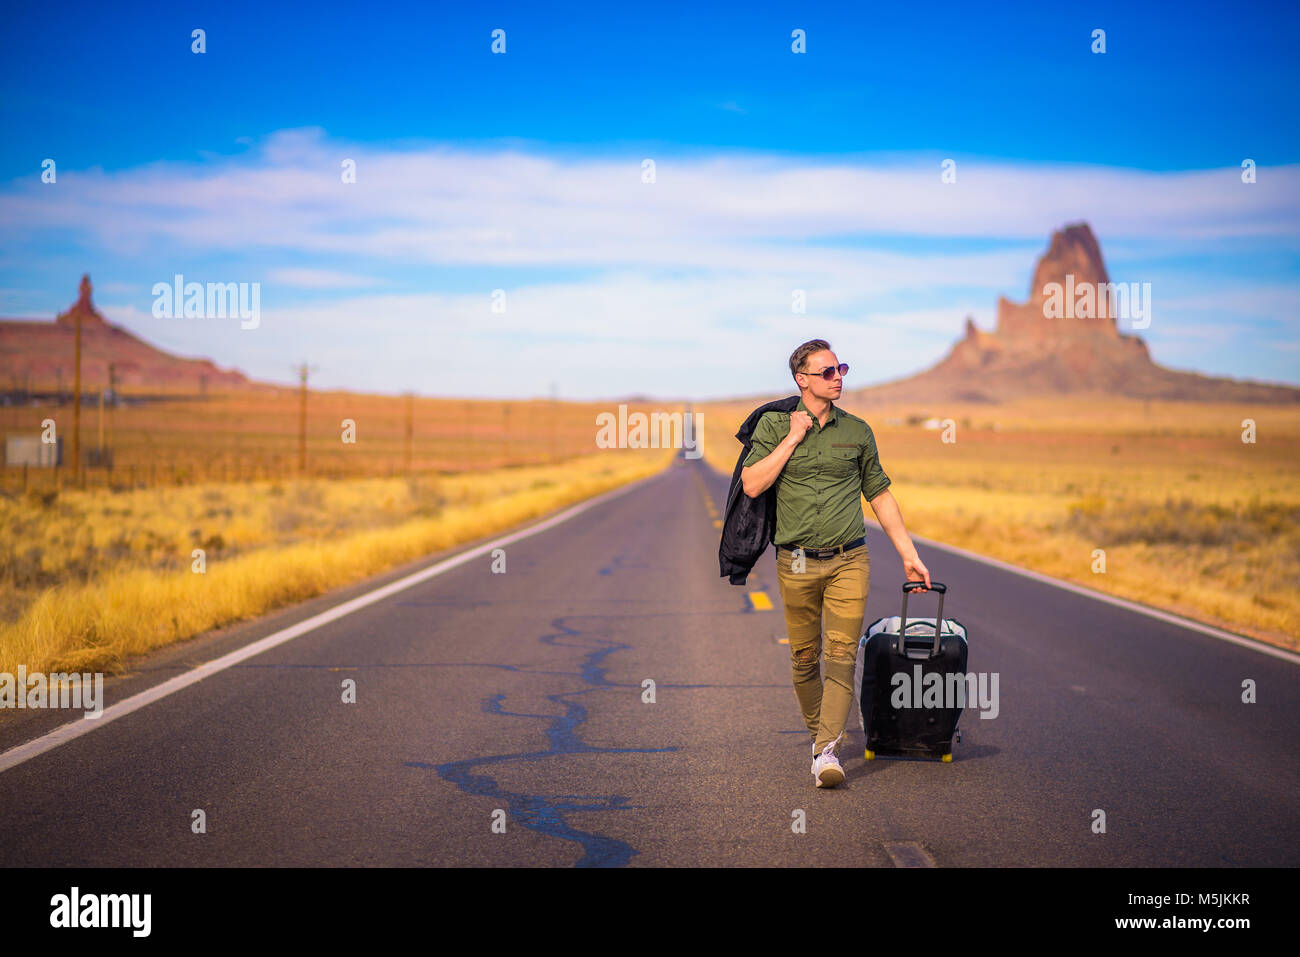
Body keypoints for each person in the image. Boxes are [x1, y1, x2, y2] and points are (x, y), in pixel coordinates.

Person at [740, 339, 931, 788]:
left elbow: (879, 494)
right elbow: (752, 484)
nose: (838, 377)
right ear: (801, 379)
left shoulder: (858, 431)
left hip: (850, 559)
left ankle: (827, 751)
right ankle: (819, 739)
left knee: (842, 656)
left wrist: (909, 553)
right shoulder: (772, 425)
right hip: (797, 562)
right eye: (826, 371)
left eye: (840, 368)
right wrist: (792, 438)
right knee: (806, 657)